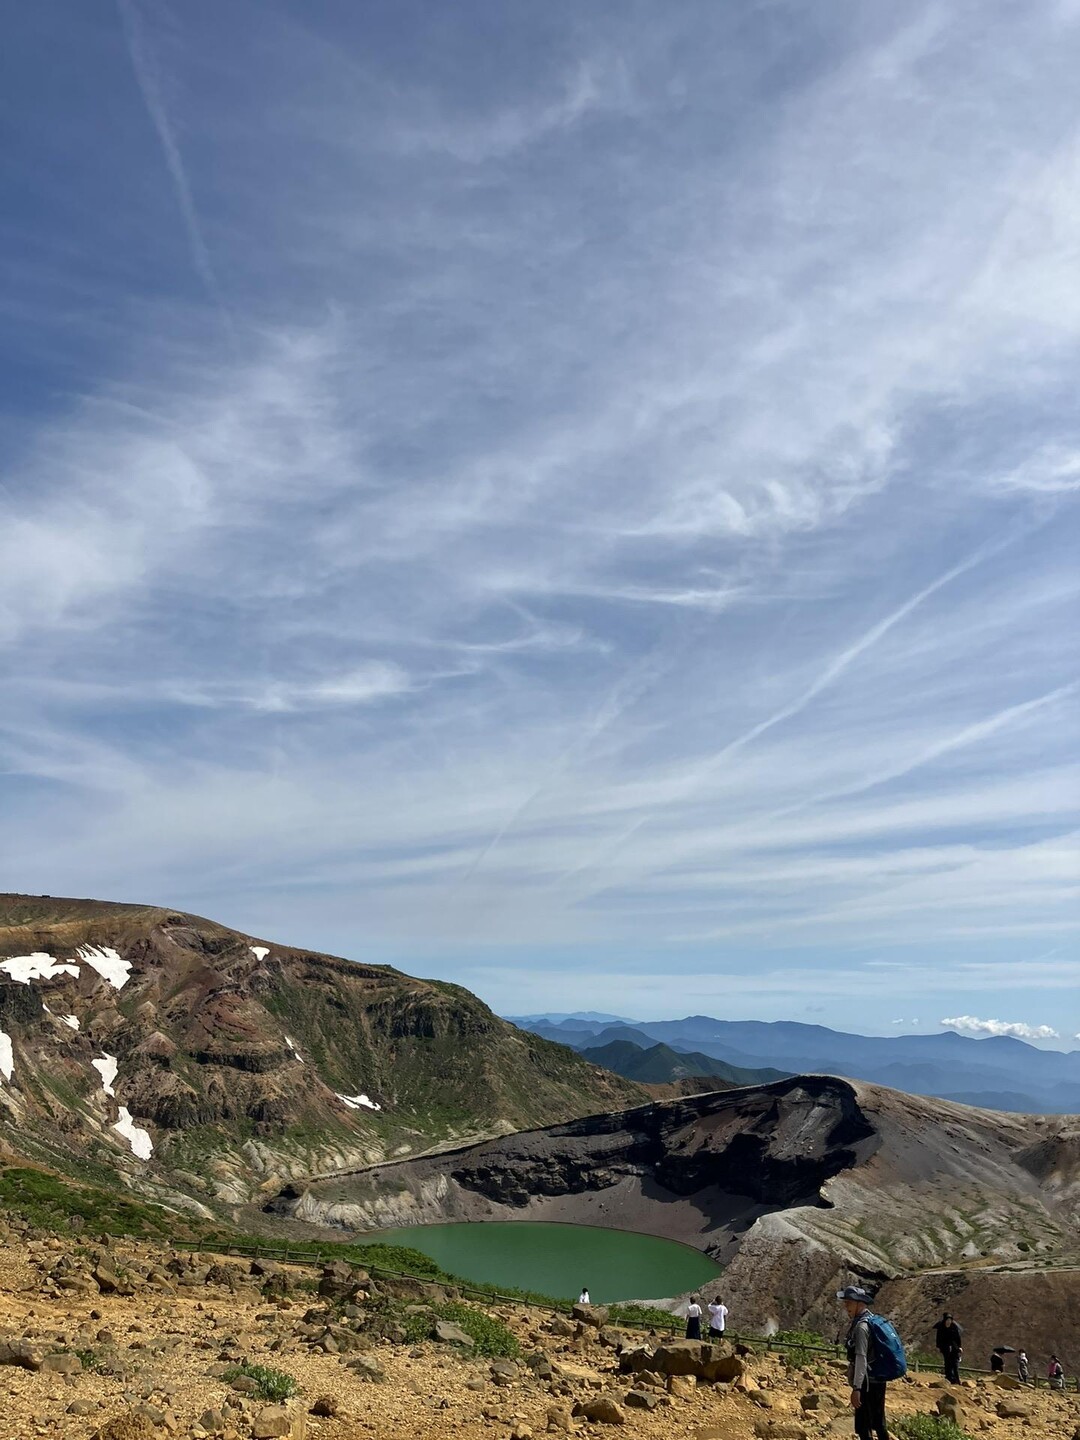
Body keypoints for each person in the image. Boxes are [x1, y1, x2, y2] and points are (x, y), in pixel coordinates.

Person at [839, 1286, 889, 1440]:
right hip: (878, 1379)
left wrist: (857, 1388)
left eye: (848, 1303)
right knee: (879, 1423)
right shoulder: (872, 1321)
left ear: (859, 1304)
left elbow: (861, 1358)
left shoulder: (861, 1327)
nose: (846, 1306)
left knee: (863, 1427)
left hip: (867, 1382)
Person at [933, 1313, 963, 1384]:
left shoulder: (954, 1327)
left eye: (950, 1320)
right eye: (947, 1320)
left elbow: (958, 1338)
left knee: (955, 1363)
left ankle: (957, 1379)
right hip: (945, 1347)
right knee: (947, 1363)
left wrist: (959, 1347)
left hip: (954, 1347)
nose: (948, 1321)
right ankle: (949, 1378)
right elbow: (938, 1338)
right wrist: (938, 1346)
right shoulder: (941, 1327)